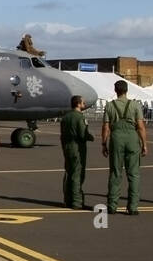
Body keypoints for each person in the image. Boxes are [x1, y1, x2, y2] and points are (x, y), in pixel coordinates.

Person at [102, 79, 147, 215]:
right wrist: (144, 144)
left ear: (115, 90)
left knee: (115, 173)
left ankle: (112, 205)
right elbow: (140, 126)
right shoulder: (135, 105)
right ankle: (133, 207)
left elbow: (106, 127)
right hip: (132, 138)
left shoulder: (110, 106)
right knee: (133, 174)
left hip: (116, 138)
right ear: (127, 90)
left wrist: (104, 143)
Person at [60, 94, 93, 208]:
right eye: (83, 102)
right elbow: (83, 133)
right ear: (78, 104)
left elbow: (62, 134)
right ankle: (77, 201)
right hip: (77, 147)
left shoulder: (66, 117)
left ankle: (67, 199)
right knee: (77, 174)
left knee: (68, 172)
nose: (84, 104)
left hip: (67, 147)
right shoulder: (80, 117)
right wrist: (90, 137)